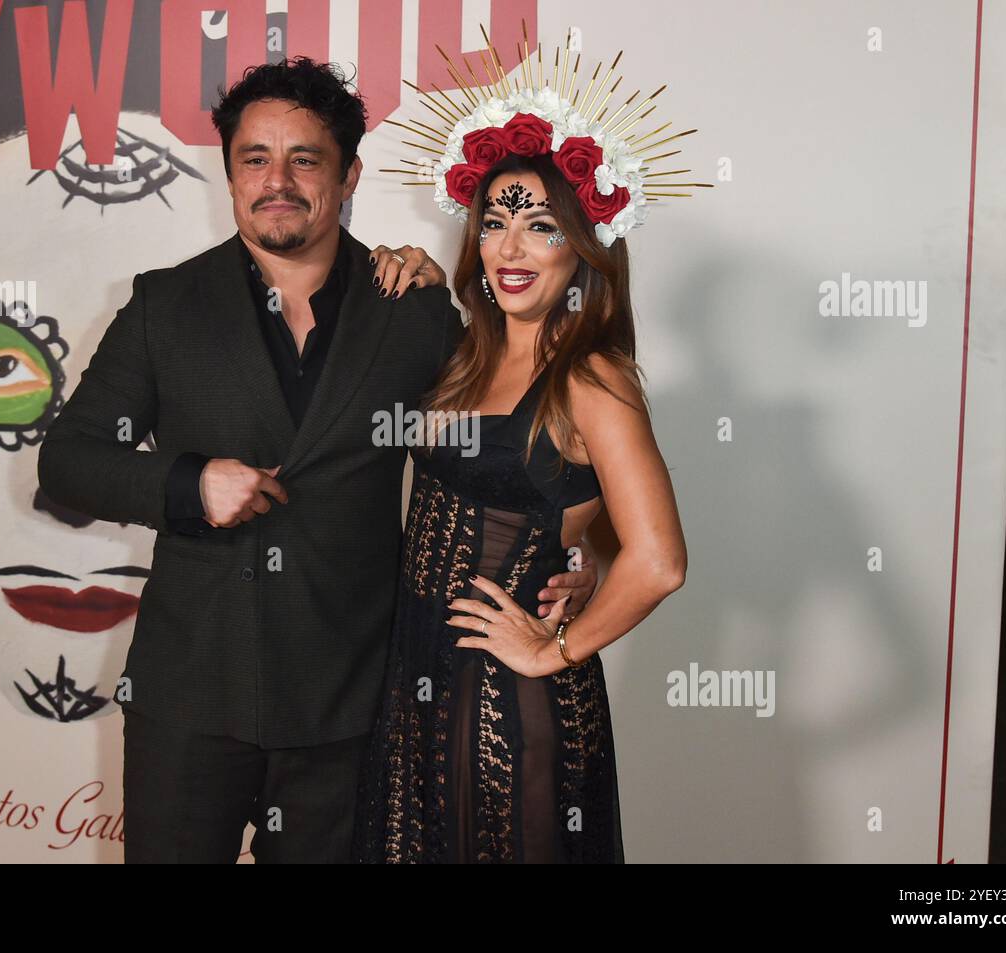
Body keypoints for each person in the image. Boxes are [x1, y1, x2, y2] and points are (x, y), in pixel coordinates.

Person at [36, 56, 598, 863]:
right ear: (228, 173)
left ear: (349, 174)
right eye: (254, 159)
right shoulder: (165, 304)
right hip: (191, 698)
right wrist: (187, 482)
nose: (278, 180)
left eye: (306, 159)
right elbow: (68, 464)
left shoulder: (414, 312)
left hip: (353, 706)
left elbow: (520, 452)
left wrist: (583, 553)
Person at [352, 144, 688, 858]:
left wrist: (556, 648)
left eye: (542, 225)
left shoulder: (593, 377)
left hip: (509, 698)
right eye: (495, 221)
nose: (511, 246)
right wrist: (585, 558)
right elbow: (584, 512)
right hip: (416, 678)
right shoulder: (467, 352)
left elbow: (659, 560)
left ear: (585, 246)